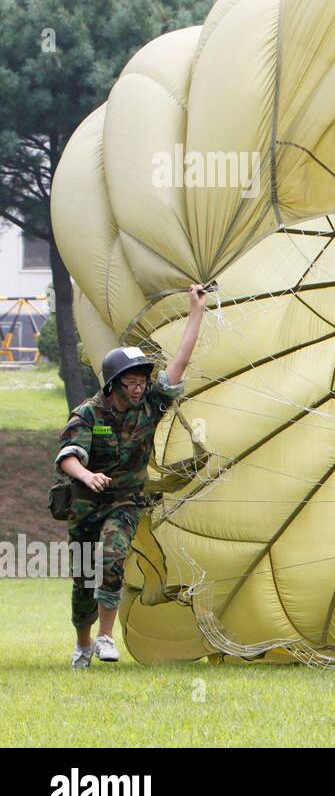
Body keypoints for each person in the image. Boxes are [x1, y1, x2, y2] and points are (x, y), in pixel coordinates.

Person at [56, 283, 208, 670]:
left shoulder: (150, 405)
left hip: (124, 501)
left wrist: (196, 312)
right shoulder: (89, 414)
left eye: (142, 382)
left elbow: (179, 366)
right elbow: (68, 457)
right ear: (112, 384)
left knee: (113, 557)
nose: (139, 388)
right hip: (86, 505)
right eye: (131, 383)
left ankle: (106, 637)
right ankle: (83, 642)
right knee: (83, 581)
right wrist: (86, 475)